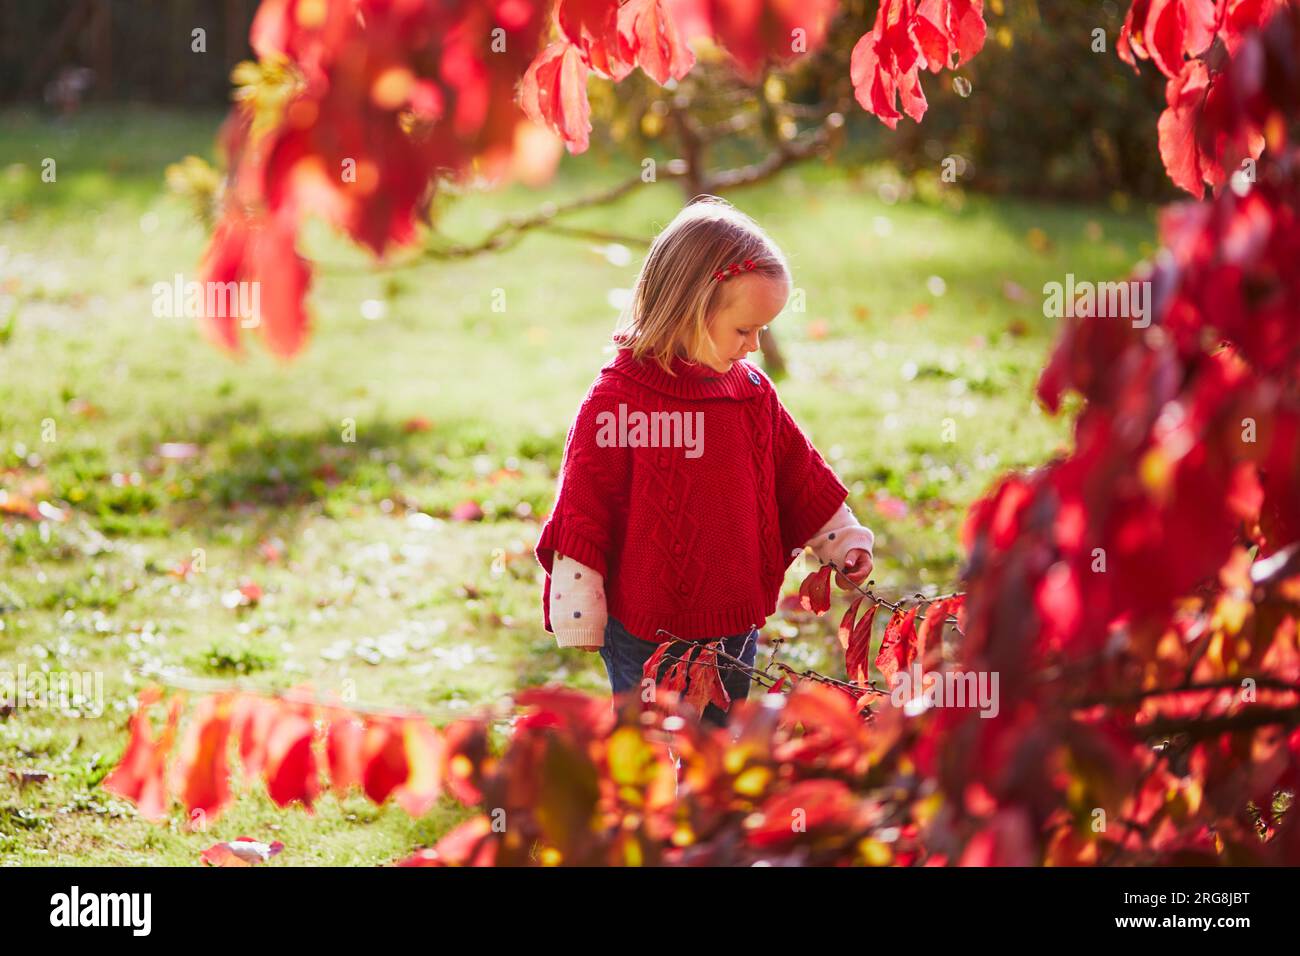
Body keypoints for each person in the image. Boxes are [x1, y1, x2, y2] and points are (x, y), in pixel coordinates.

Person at [535, 195, 875, 729]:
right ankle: (653, 813)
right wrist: (578, 606)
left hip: (732, 617)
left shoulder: (751, 395)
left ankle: (708, 811)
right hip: (644, 627)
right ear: (690, 308)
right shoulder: (618, 402)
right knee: (649, 740)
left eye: (762, 330)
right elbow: (584, 505)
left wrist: (843, 539)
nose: (756, 345)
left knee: (716, 742)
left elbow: (798, 477)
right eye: (744, 330)